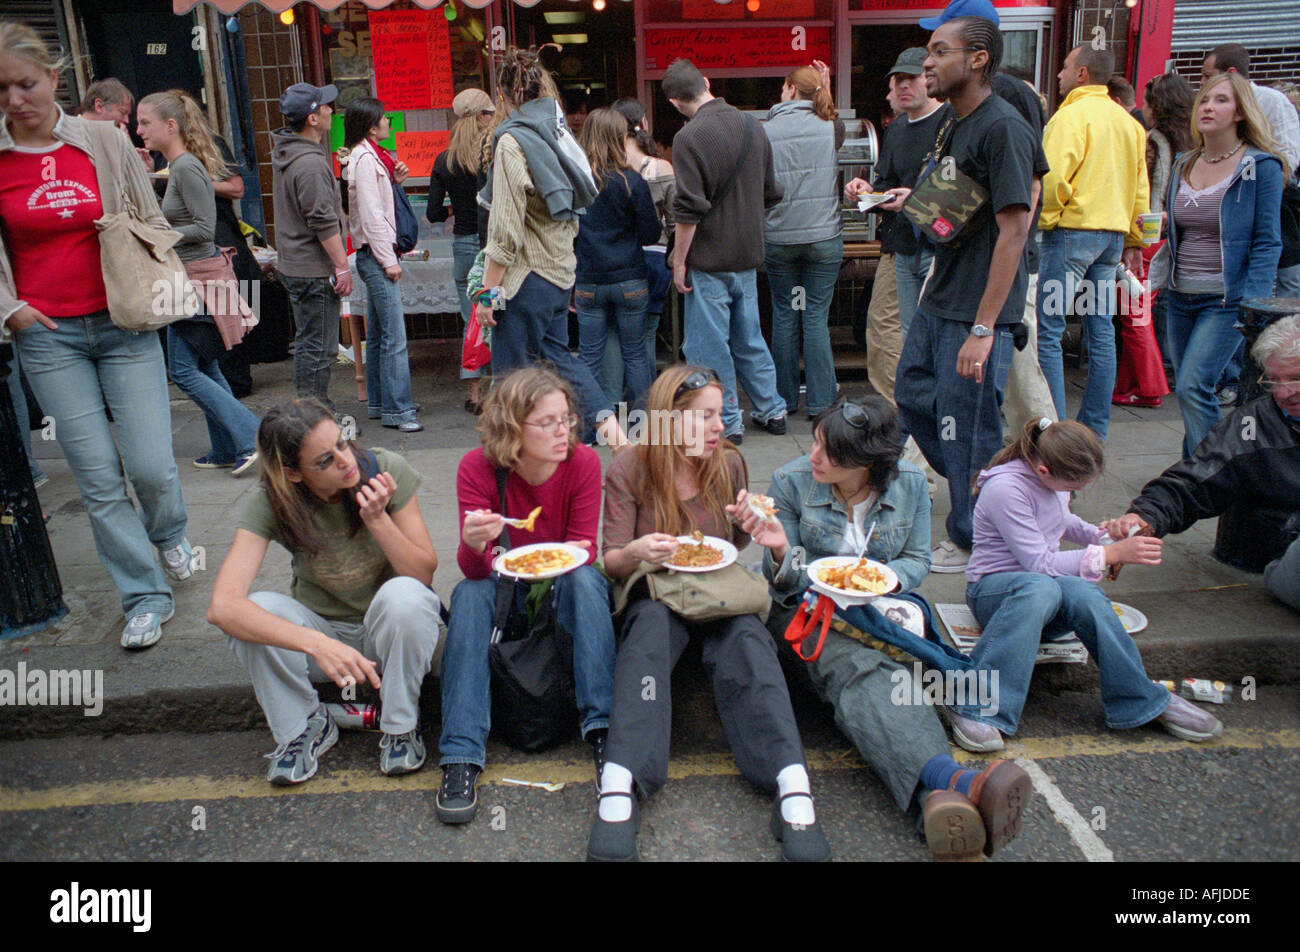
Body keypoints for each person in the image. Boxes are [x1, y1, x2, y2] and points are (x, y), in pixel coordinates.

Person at [744, 395, 1032, 860]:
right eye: (816, 443)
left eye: (831, 453)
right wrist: (779, 549)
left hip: (880, 608)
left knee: (884, 680)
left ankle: (939, 803)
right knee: (862, 670)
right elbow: (787, 582)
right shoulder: (791, 481)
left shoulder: (912, 484)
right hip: (807, 612)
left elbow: (917, 560)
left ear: (868, 463)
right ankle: (957, 780)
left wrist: (886, 581)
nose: (814, 457)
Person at [0, 22, 192, 650]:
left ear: (53, 78)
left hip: (122, 322)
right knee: (98, 477)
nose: (14, 100)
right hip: (48, 340)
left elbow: (149, 217)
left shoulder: (103, 140)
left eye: (24, 84)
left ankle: (170, 534)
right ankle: (143, 596)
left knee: (151, 467)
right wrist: (11, 308)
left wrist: (151, 275)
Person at [588, 364, 829, 862]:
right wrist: (637, 551)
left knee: (747, 638)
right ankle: (619, 783)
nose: (720, 427)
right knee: (647, 636)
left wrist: (758, 533)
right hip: (657, 587)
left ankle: (791, 782)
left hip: (719, 590)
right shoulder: (631, 467)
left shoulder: (730, 463)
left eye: (722, 414)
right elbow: (611, 561)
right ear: (670, 420)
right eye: (706, 417)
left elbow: (732, 545)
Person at [947, 418, 1223, 751]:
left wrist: (1105, 534)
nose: (1073, 494)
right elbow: (1040, 564)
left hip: (1038, 597)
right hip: (995, 593)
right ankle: (977, 704)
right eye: (1071, 487)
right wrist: (1109, 553)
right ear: (1045, 472)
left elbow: (1063, 522)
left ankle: (1140, 697)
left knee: (1085, 593)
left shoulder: (1047, 478)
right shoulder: (1006, 489)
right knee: (1042, 586)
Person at [208, 398, 440, 784]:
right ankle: (302, 729)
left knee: (407, 596)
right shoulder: (274, 500)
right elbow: (222, 606)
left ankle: (401, 726)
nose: (345, 461)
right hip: (325, 643)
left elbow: (423, 576)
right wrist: (316, 644)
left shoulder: (383, 468)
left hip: (390, 638)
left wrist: (379, 520)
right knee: (254, 611)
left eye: (342, 443)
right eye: (324, 461)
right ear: (294, 474)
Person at [436, 367, 615, 824]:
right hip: (503, 594)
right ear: (513, 426)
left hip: (560, 591)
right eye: (549, 422)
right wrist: (474, 543)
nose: (565, 431)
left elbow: (583, 546)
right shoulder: (477, 468)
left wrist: (581, 554)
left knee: (587, 579)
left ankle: (604, 733)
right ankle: (461, 752)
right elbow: (477, 568)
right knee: (470, 593)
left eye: (568, 419)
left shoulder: (583, 464)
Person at [892, 14, 1038, 575]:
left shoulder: (1003, 127)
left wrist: (984, 328)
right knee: (911, 395)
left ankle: (977, 537)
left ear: (978, 59)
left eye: (939, 51)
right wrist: (912, 202)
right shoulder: (957, 122)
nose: (927, 62)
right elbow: (955, 205)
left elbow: (1015, 229)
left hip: (975, 312)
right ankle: (985, 490)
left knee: (970, 427)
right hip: (940, 296)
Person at [474, 47, 626, 449]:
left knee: (511, 382)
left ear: (505, 97)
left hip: (524, 281)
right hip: (559, 276)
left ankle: (514, 465)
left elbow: (504, 229)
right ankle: (616, 439)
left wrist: (486, 295)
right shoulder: (560, 137)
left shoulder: (512, 141)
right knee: (563, 364)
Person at [1111, 314, 1300, 610]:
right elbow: (1194, 479)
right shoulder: (1252, 426)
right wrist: (1145, 516)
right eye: (1273, 380)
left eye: (1294, 378)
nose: (1283, 392)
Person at [1151, 72, 1285, 458]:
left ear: (1241, 113)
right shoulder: (1182, 163)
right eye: (1205, 100)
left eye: (1221, 100)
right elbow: (1183, 224)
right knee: (1190, 389)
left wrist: (1253, 305)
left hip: (1226, 299)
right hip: (1179, 294)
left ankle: (1211, 474)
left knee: (1194, 385)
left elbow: (1267, 241)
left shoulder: (1260, 167)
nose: (1208, 107)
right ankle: (1196, 468)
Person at [137, 90, 261, 477]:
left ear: (170, 126)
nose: (138, 130)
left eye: (145, 123)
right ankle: (226, 446)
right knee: (206, 365)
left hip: (195, 279)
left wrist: (154, 231)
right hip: (189, 277)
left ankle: (249, 434)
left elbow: (205, 229)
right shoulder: (177, 166)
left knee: (184, 371)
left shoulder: (186, 167)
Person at [664, 58, 787, 444]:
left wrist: (679, 261)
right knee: (750, 337)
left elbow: (688, 210)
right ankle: (772, 409)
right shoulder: (754, 125)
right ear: (705, 81)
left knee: (708, 345)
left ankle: (728, 420)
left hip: (708, 259)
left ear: (673, 102)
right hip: (748, 255)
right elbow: (772, 192)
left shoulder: (688, 138)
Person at [1035, 43, 1150, 442]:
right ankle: (1094, 432)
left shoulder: (1070, 116)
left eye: (1065, 67)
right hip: (1111, 239)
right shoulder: (1129, 123)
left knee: (1049, 332)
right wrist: (1134, 239)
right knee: (1100, 330)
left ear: (1082, 73)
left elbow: (1053, 179)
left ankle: (1056, 432)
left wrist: (1045, 223)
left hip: (1070, 235)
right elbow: (1140, 189)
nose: (1060, 74)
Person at [845, 49, 944, 402]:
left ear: (929, 79)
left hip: (939, 248)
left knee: (930, 332)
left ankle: (929, 407)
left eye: (911, 79)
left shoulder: (952, 123)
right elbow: (885, 183)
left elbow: (963, 189)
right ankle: (900, 405)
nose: (903, 86)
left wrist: (914, 198)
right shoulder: (897, 128)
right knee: (884, 328)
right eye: (897, 80)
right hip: (897, 244)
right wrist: (866, 191)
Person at [762, 65, 843, 421]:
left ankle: (784, 399)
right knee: (814, 319)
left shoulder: (764, 131)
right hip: (823, 238)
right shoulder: (832, 127)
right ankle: (821, 402)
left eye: (783, 87)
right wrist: (825, 87)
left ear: (792, 89)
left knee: (784, 316)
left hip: (779, 239)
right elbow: (829, 115)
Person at [1113, 73, 1194, 409]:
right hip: (1168, 238)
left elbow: (1139, 190)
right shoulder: (1191, 142)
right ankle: (1128, 387)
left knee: (1133, 316)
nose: (1141, 109)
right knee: (1139, 312)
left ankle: (1150, 388)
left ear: (1157, 106)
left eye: (1146, 103)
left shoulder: (1153, 141)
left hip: (1143, 237)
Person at [271, 82, 353, 409]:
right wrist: (342, 266)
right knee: (320, 348)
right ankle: (314, 414)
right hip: (312, 268)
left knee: (308, 344)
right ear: (312, 119)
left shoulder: (290, 153)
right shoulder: (309, 163)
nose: (331, 110)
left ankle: (309, 411)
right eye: (325, 107)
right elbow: (321, 219)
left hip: (296, 263)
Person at [343, 97, 421, 434]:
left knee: (377, 335)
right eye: (384, 118)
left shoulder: (369, 157)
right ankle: (399, 410)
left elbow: (376, 208)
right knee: (394, 337)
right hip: (375, 255)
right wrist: (389, 260)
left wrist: (395, 182)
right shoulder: (364, 159)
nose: (389, 121)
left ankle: (380, 402)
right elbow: (373, 216)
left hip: (370, 254)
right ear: (372, 126)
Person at [574, 108, 660, 410]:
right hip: (630, 277)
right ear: (618, 139)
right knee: (635, 354)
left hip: (587, 279)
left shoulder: (577, 182)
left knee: (589, 356)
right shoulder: (631, 181)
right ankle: (640, 424)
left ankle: (591, 424)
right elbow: (651, 233)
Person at [429, 88, 494, 415]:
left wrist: (453, 210)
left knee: (472, 321)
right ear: (483, 116)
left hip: (463, 243)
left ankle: (475, 394)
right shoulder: (492, 153)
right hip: (492, 245)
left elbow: (432, 213)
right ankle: (500, 390)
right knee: (497, 314)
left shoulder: (444, 160)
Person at [611, 97, 674, 398]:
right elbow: (674, 221)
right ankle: (649, 401)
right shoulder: (662, 167)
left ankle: (623, 396)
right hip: (658, 259)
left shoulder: (609, 168)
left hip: (621, 260)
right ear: (643, 124)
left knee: (621, 336)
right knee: (647, 337)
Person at [1201, 44, 1300, 172]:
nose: (1202, 82)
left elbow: (1289, 155)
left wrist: (1263, 182)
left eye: (1208, 76)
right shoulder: (1206, 104)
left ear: (1232, 73)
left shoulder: (1272, 100)